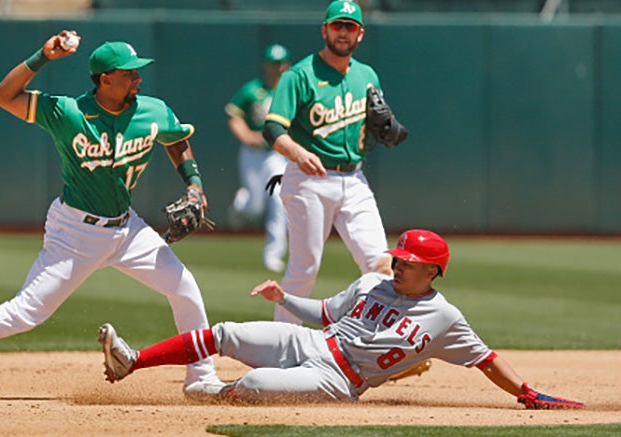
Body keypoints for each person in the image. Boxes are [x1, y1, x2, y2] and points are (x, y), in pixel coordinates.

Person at [0, 31, 223, 400]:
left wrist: (194, 184)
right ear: (105, 79)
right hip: (76, 233)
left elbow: (176, 138)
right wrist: (42, 57)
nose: (138, 79)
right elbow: (4, 96)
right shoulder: (68, 112)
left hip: (128, 229)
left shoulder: (153, 110)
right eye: (129, 73)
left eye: (137, 72)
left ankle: (200, 375)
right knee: (24, 313)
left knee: (184, 287)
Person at [98, 230, 586, 408]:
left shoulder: (445, 318)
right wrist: (285, 298)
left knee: (258, 387)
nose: (397, 265)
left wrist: (527, 393)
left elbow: (486, 359)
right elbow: (325, 313)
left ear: (434, 271)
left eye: (408, 263)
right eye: (397, 258)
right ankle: (132, 361)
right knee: (226, 334)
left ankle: (217, 395)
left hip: (339, 380)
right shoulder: (374, 283)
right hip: (312, 343)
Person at [263, 1, 406, 324]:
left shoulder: (367, 75)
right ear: (324, 30)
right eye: (337, 26)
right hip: (307, 179)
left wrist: (381, 130)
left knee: (380, 261)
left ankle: (381, 339)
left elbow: (373, 128)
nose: (343, 32)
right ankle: (280, 344)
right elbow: (272, 129)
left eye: (350, 27)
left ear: (360, 34)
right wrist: (299, 153)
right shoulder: (299, 75)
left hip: (354, 180)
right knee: (305, 268)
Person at [225, 44, 292, 273]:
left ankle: (273, 255)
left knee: (278, 201)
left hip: (276, 155)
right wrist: (245, 135)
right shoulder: (253, 90)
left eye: (281, 64)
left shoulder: (289, 91)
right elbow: (234, 116)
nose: (278, 68)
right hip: (253, 154)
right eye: (274, 64)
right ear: (266, 65)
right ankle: (241, 202)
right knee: (254, 207)